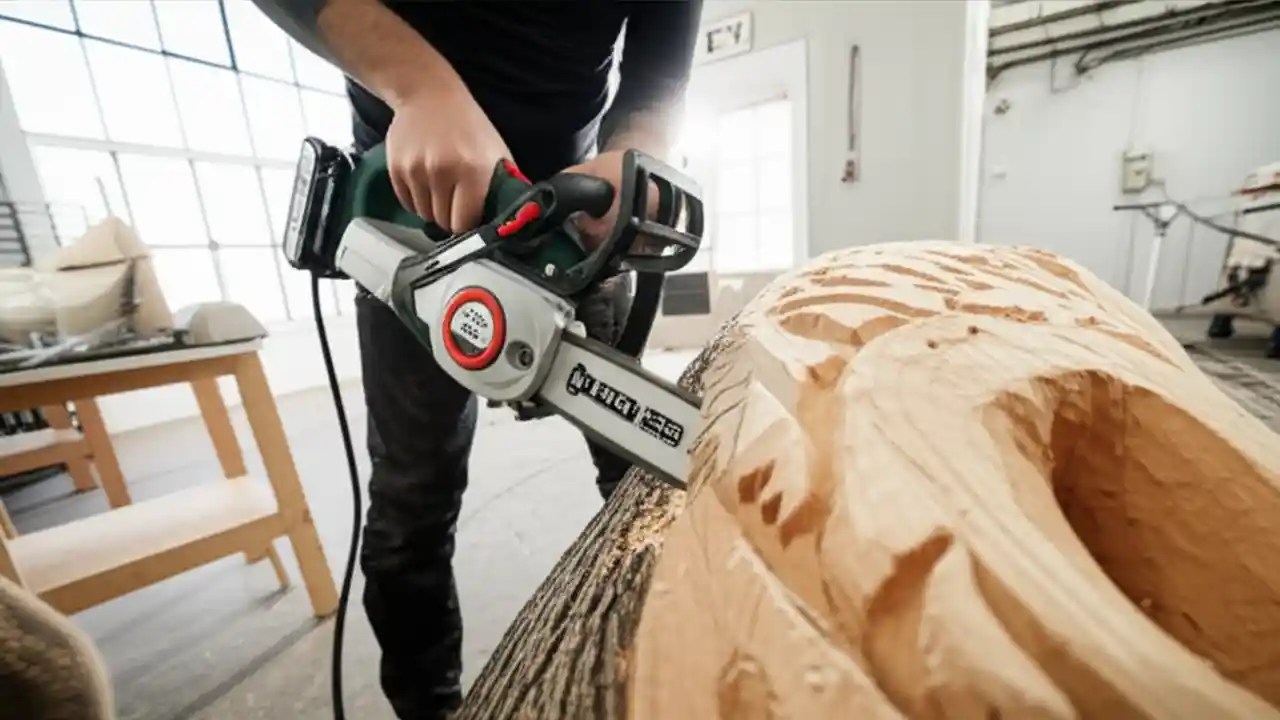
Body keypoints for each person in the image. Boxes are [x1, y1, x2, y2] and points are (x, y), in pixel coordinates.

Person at [250, 1, 703, 717]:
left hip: (577, 224)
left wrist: (639, 144)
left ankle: (693, 650)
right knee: (411, 505)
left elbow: (661, 68)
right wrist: (418, 87)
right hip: (412, 224)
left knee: (640, 472)